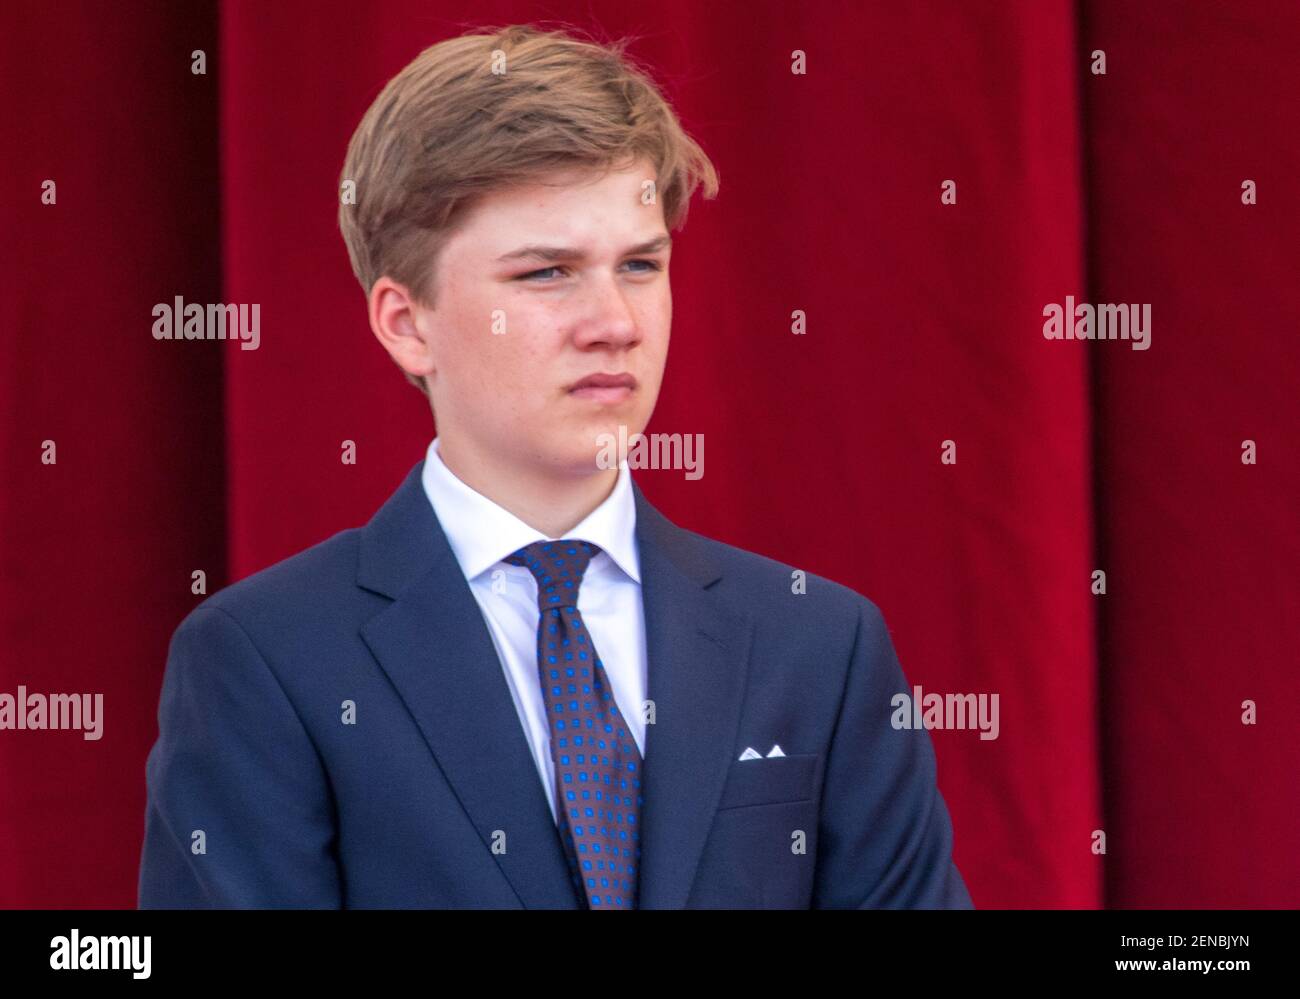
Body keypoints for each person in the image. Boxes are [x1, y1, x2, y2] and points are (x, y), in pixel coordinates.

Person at [138, 23, 973, 910]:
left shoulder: (822, 646)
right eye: (546, 273)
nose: (616, 322)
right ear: (405, 323)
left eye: (641, 264)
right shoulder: (264, 661)